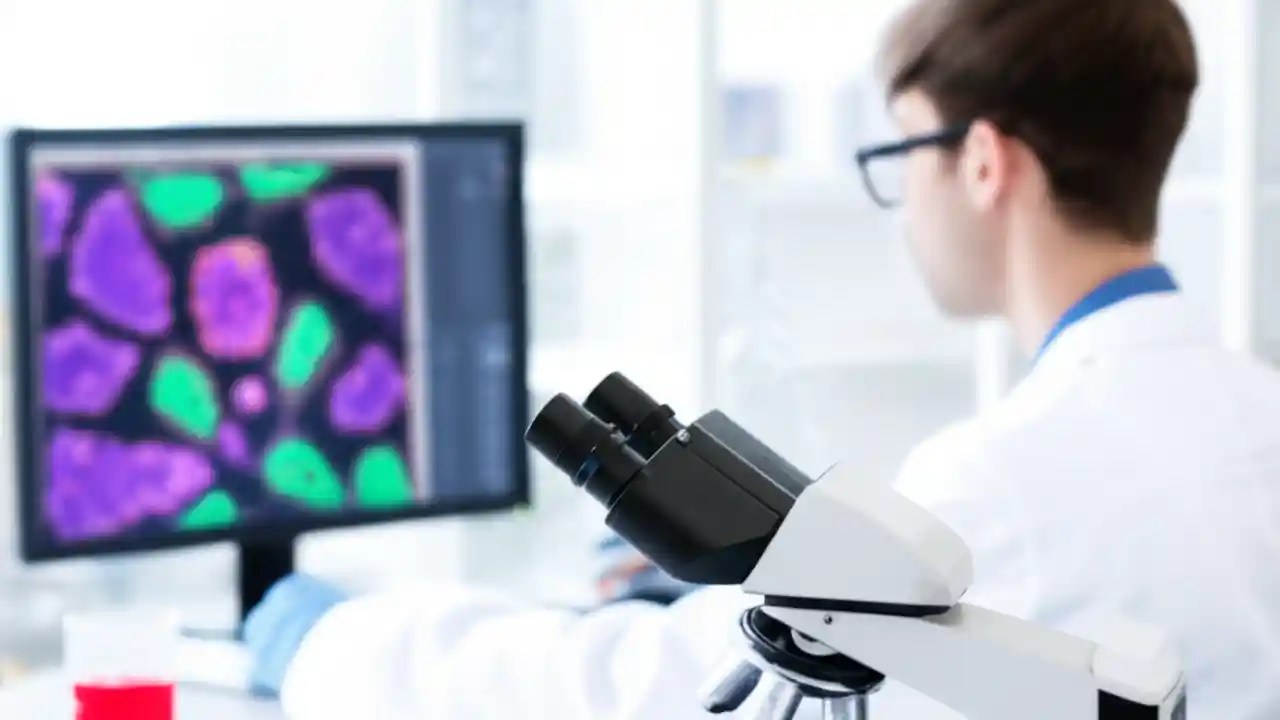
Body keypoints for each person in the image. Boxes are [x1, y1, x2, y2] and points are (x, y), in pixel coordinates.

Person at [247, 1, 1280, 717]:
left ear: (977, 162)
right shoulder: (1253, 412)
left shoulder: (1000, 489)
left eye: (899, 153)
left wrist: (322, 639)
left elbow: (657, 695)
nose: (903, 203)